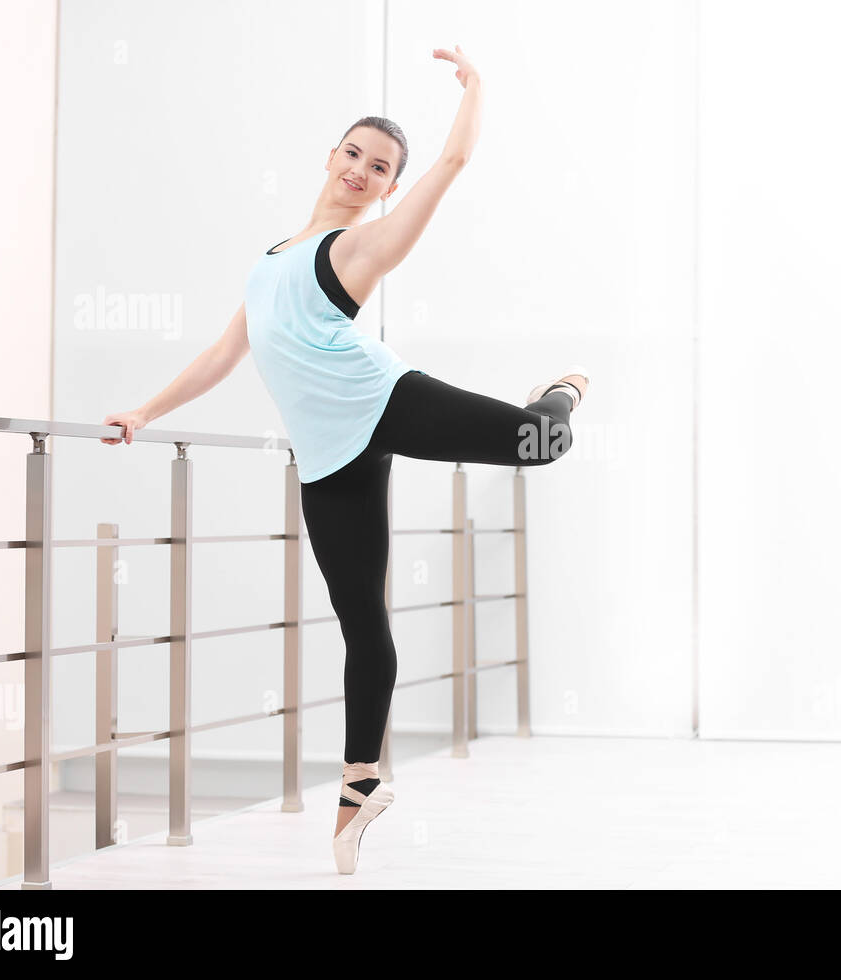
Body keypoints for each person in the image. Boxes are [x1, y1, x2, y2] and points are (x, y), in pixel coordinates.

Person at [99, 45, 588, 875]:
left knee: (537, 443)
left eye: (381, 167)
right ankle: (360, 789)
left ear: (388, 187)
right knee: (363, 622)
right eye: (354, 153)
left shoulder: (355, 252)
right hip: (328, 458)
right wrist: (145, 410)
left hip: (384, 400)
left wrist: (476, 88)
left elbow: (457, 159)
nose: (363, 171)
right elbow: (225, 356)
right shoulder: (266, 265)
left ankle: (563, 392)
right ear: (330, 157)